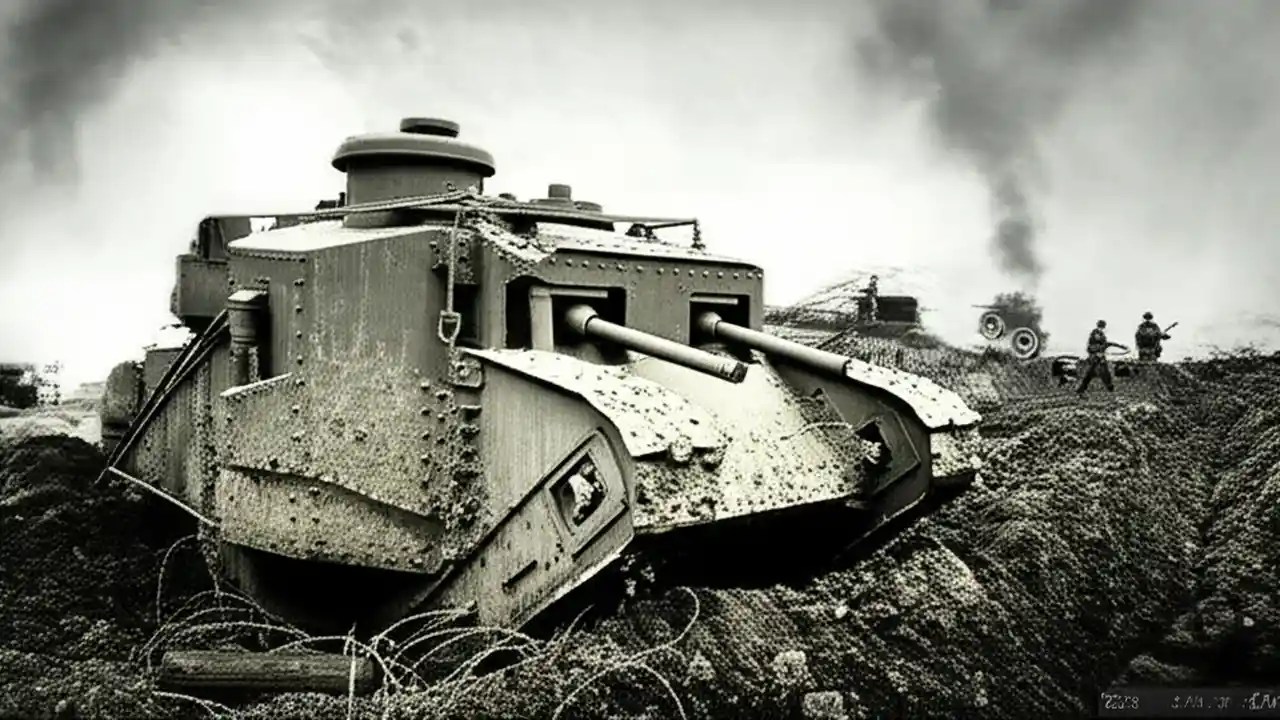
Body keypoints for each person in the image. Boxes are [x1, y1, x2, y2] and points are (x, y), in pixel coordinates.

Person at [1077, 320, 1127, 396]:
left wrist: (1121, 346)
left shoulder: (1101, 335)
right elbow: (1090, 348)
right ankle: (1081, 390)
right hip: (1094, 358)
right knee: (1091, 374)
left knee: (1104, 373)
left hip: (1100, 358)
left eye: (1102, 327)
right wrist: (1096, 353)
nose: (1101, 328)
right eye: (1100, 326)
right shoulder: (1094, 335)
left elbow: (1107, 344)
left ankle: (1110, 388)